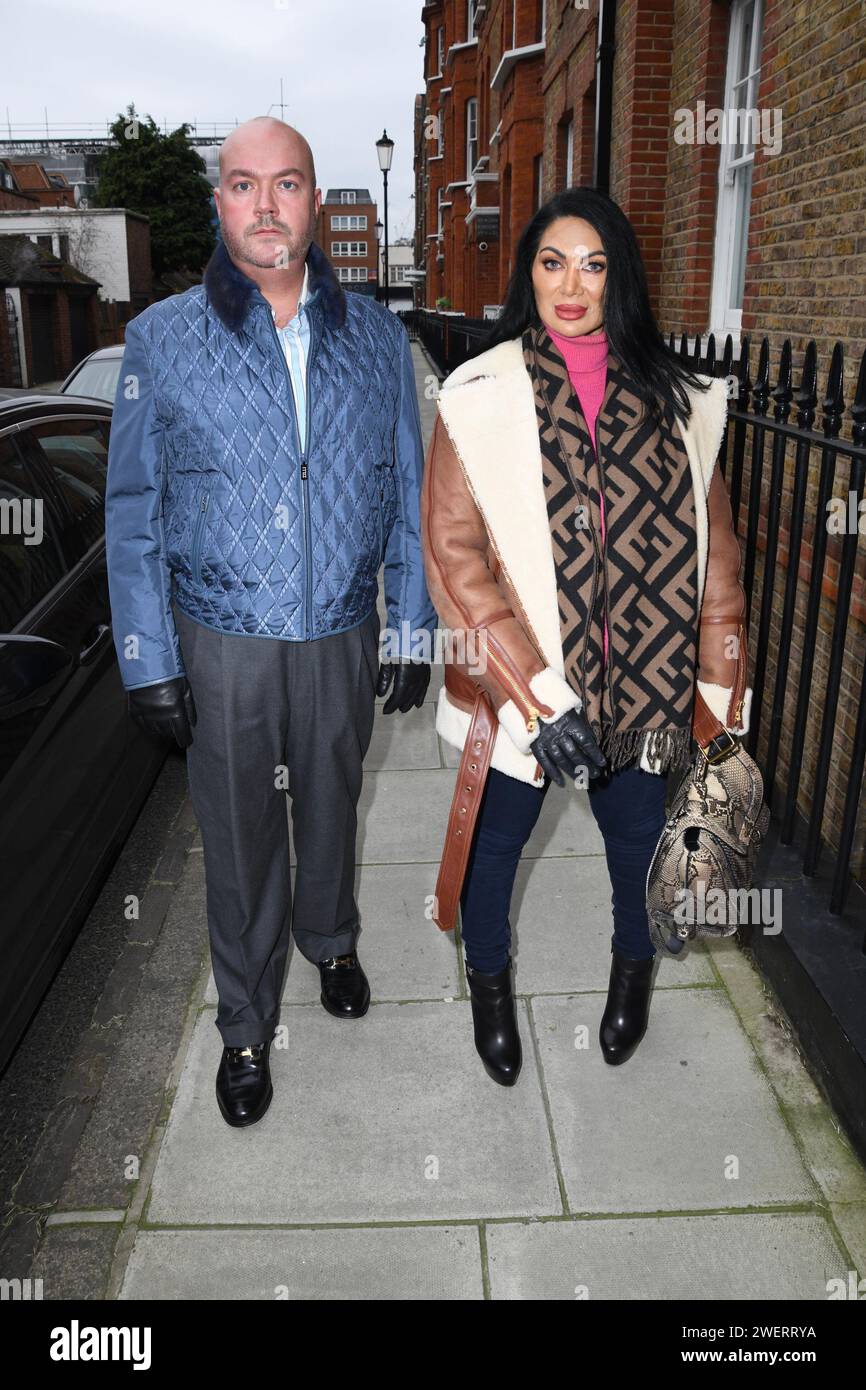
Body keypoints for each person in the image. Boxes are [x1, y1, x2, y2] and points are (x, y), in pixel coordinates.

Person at [105, 117, 436, 1127]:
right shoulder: (161, 339)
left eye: (284, 184)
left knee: (331, 807)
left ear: (313, 200)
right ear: (220, 204)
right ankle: (245, 1030)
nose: (263, 205)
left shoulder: (376, 337)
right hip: (222, 644)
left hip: (337, 633)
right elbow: (131, 510)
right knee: (242, 845)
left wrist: (410, 623)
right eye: (242, 185)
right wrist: (147, 659)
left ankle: (329, 937)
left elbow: (409, 489)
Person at [421, 187, 749, 1086]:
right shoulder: (479, 396)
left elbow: (718, 567)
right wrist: (533, 694)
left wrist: (718, 701)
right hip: (527, 694)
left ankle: (631, 978)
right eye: (553, 262)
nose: (572, 284)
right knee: (493, 853)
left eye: (594, 264)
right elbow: (454, 563)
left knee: (638, 851)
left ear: (619, 278)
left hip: (647, 688)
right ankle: (490, 986)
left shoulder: (684, 403)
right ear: (529, 274)